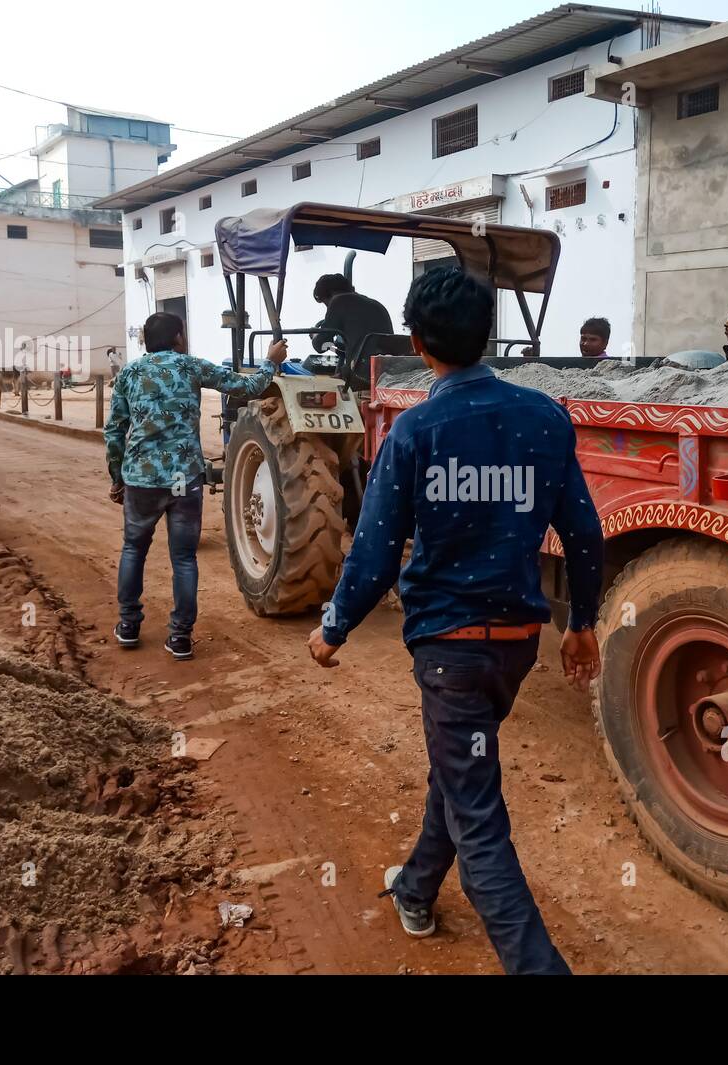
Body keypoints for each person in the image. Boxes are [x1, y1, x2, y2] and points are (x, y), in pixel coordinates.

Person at [307, 266, 604, 975]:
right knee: (461, 763)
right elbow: (585, 534)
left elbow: (375, 550)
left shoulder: (415, 430)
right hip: (513, 647)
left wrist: (333, 626)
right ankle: (415, 887)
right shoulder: (545, 416)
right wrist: (581, 620)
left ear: (417, 342)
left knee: (481, 827)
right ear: (488, 335)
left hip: (450, 655)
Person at [104, 312, 287, 660]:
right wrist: (269, 362)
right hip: (181, 480)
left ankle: (128, 625)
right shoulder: (190, 367)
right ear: (177, 338)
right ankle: (181, 637)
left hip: (141, 479)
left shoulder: (129, 373)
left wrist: (117, 477)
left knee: (133, 550)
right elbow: (247, 387)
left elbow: (114, 431)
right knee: (184, 558)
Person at [311, 273, 393, 366]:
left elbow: (321, 346)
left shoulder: (338, 301)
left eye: (325, 303)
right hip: (384, 367)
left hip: (361, 370)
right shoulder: (375, 305)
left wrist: (315, 335)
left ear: (331, 294)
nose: (328, 308)